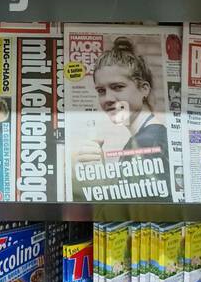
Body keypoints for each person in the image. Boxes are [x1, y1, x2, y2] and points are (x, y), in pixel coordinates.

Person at [72, 37, 171, 190]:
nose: (108, 99)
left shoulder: (147, 141)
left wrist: (96, 184)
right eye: (101, 91)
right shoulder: (145, 137)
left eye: (118, 87)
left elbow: (135, 213)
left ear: (144, 89)